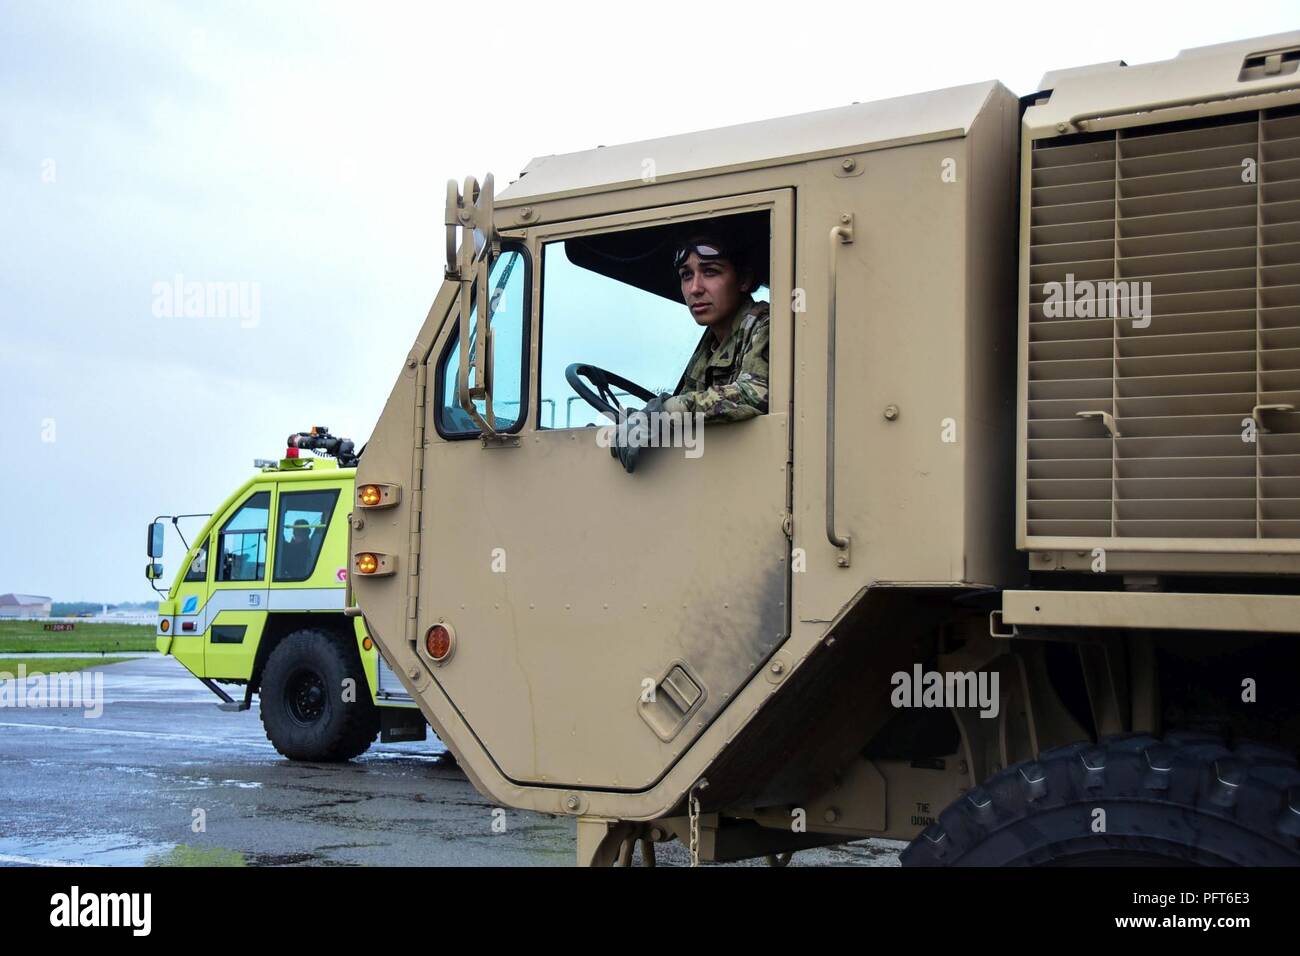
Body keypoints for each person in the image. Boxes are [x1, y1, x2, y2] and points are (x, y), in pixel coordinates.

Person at [611, 230, 769, 472]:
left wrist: (667, 410)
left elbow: (755, 394)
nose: (695, 288)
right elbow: (691, 397)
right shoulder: (711, 343)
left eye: (710, 272)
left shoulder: (764, 325)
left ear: (744, 280)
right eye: (686, 275)